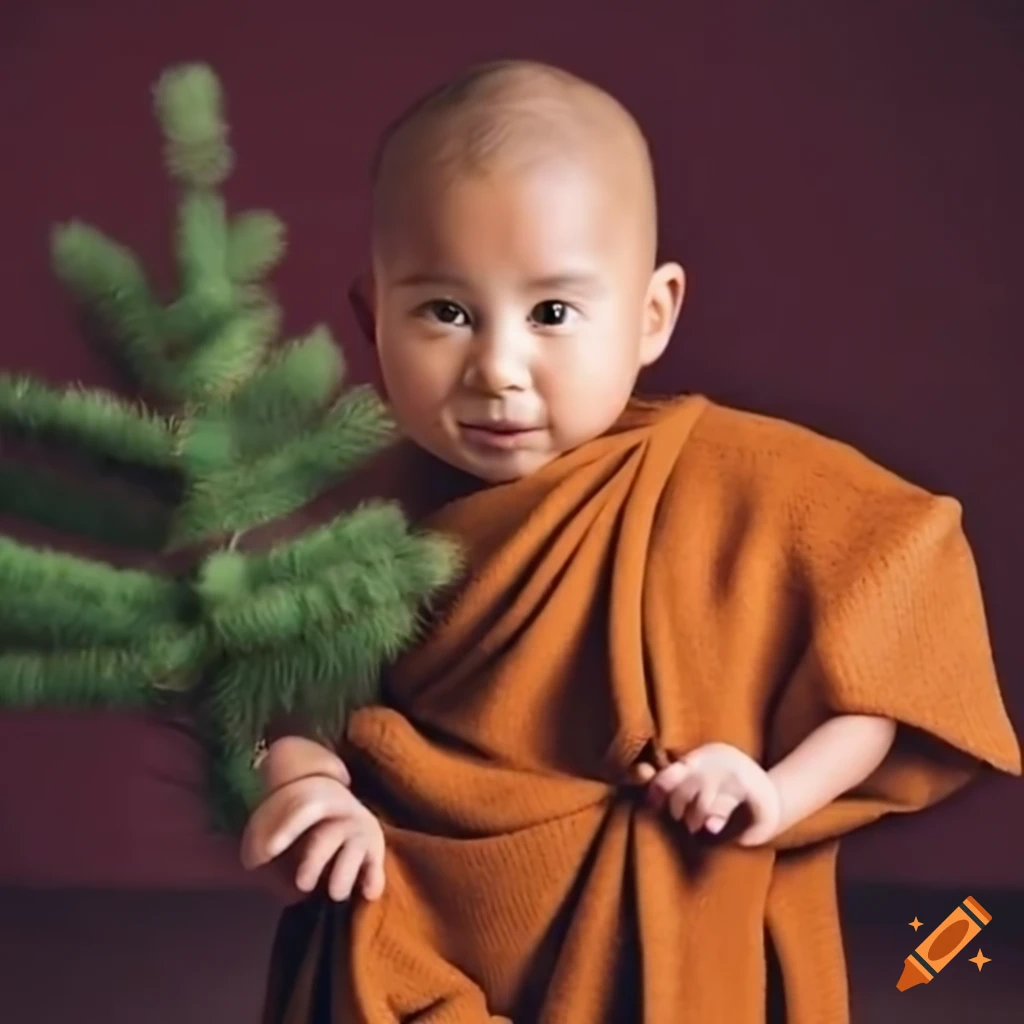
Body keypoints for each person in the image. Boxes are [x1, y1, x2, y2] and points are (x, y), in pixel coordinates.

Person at [241, 59, 1021, 1022]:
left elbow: (883, 661)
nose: (498, 369)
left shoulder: (746, 488)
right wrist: (307, 791)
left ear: (652, 315)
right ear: (372, 315)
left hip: (657, 925)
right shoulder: (350, 504)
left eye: (553, 314)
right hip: (411, 919)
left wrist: (772, 792)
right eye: (446, 312)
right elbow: (295, 702)